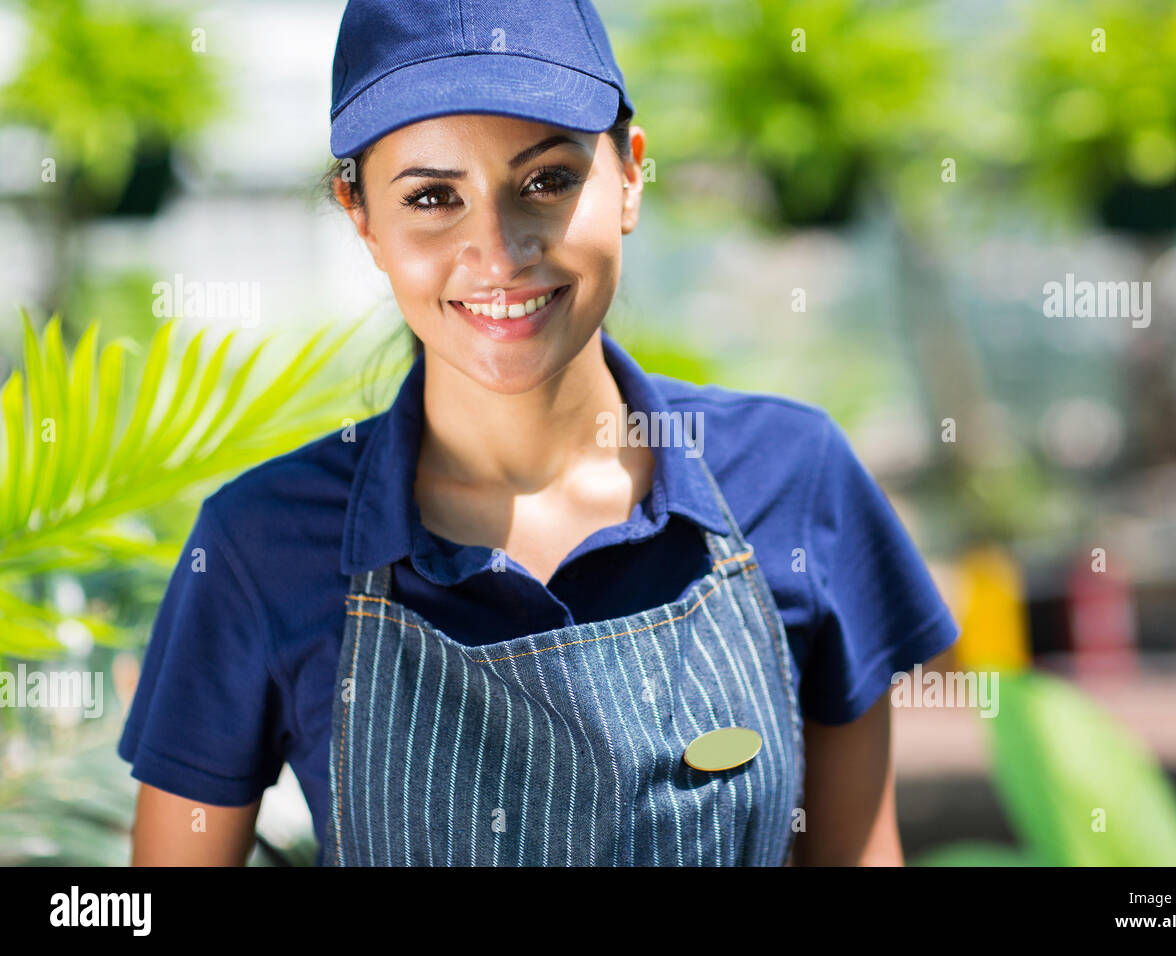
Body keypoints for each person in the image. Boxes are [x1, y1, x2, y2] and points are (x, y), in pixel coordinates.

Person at [119, 0, 960, 866]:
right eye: (433, 197)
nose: (497, 249)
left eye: (547, 180)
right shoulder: (260, 547)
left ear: (630, 175)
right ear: (361, 215)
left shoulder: (792, 476)